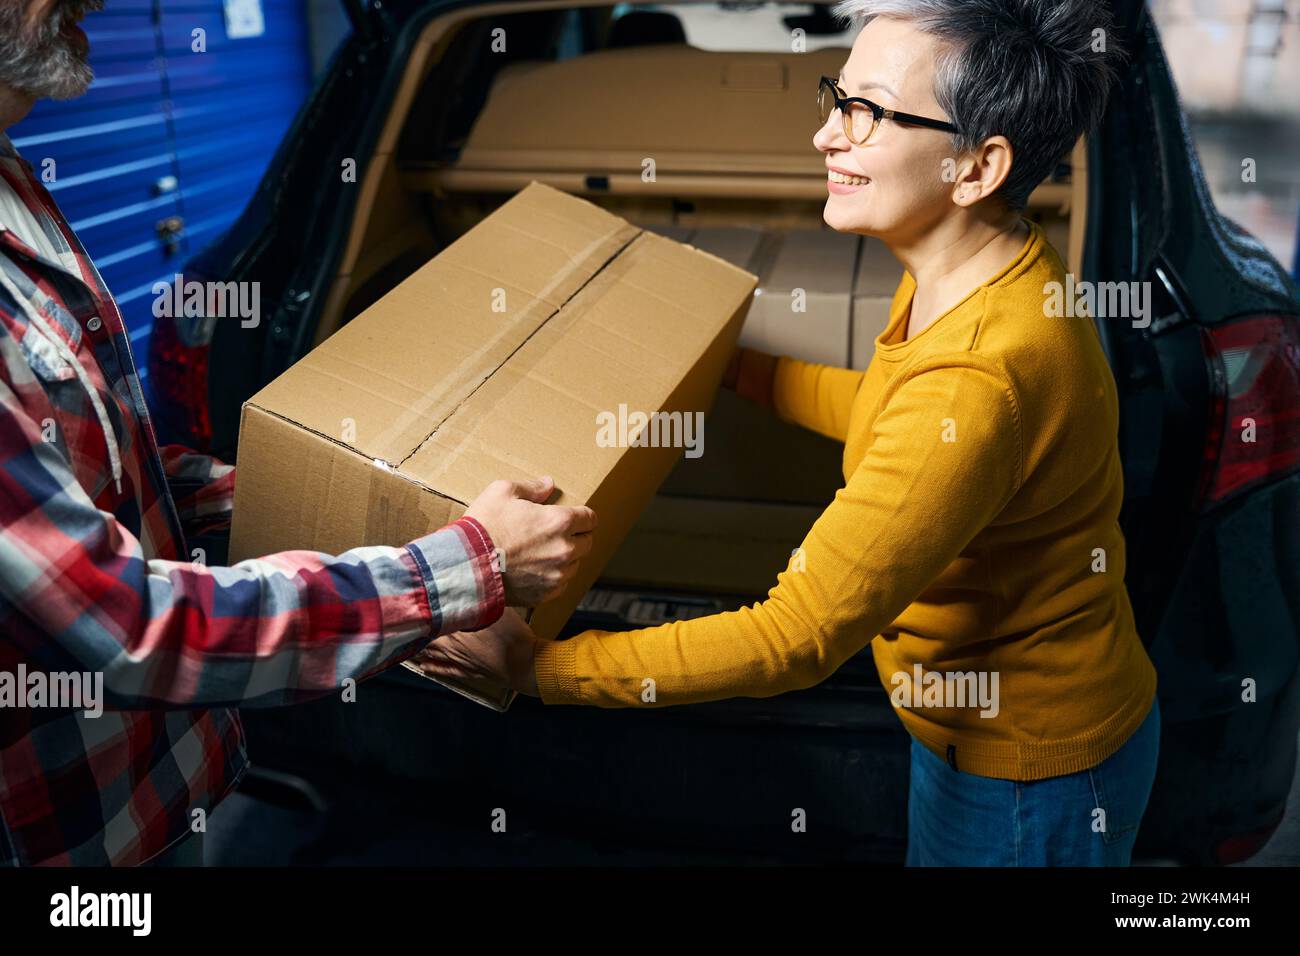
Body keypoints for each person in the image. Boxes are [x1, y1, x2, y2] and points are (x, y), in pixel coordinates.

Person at [418, 0, 1162, 866]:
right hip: (976, 729)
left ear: (977, 166)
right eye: (834, 98)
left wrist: (538, 670)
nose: (825, 138)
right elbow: (891, 416)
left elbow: (797, 637)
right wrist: (738, 366)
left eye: (868, 112)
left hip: (1028, 779)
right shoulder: (980, 270)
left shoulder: (982, 370)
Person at [0, 0, 595, 866]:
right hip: (64, 845)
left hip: (152, 794)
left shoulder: (13, 183)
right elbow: (130, 630)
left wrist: (379, 507)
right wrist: (465, 565)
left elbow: (107, 478)